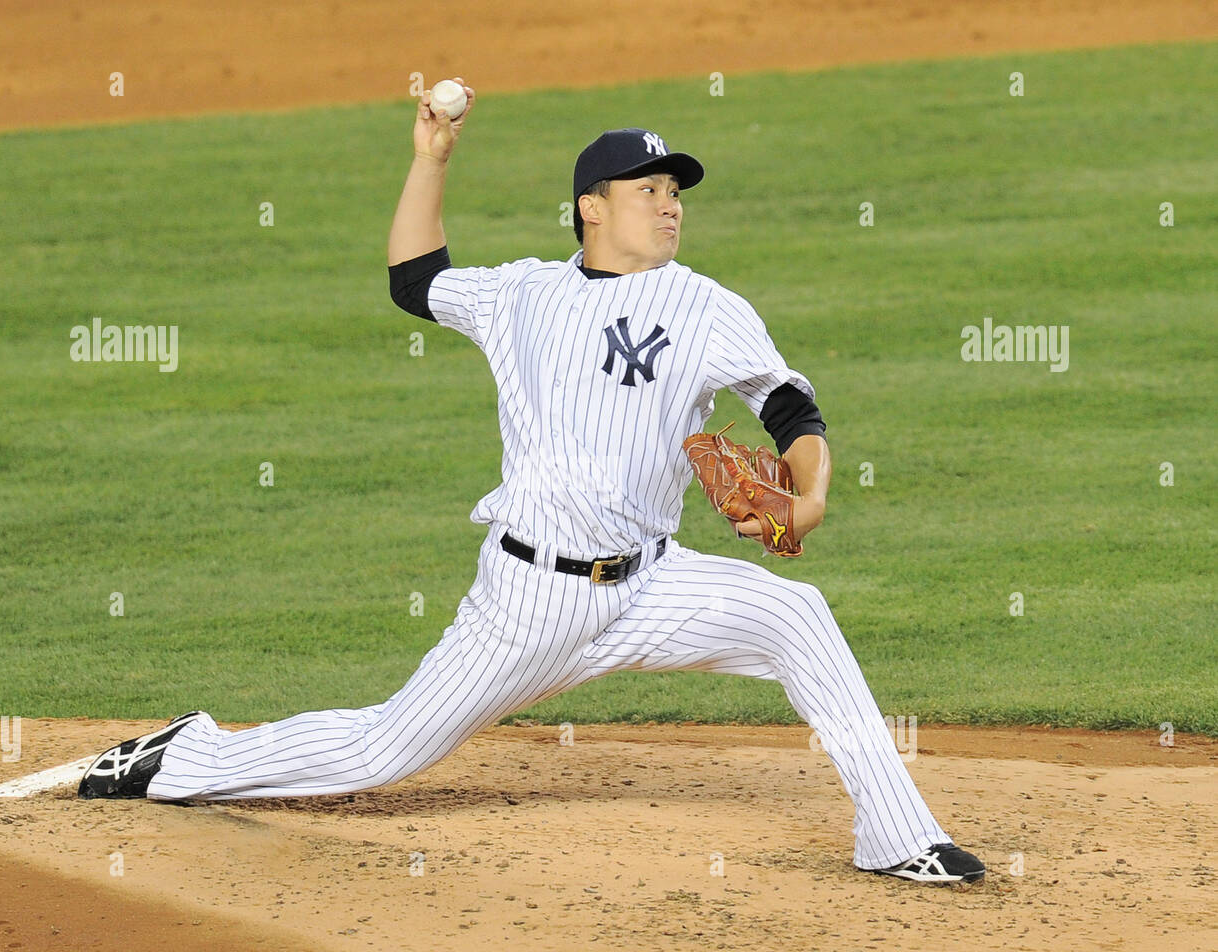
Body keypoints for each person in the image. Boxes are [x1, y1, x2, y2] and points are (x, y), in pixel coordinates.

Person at [79, 78, 984, 884]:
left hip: (653, 581)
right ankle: (186, 757)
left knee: (799, 614)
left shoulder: (707, 305)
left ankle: (899, 835)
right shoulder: (523, 294)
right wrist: (430, 159)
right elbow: (413, 279)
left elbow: (789, 406)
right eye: (650, 191)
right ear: (591, 206)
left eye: (676, 194)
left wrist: (810, 489)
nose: (671, 208)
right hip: (528, 601)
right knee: (383, 747)